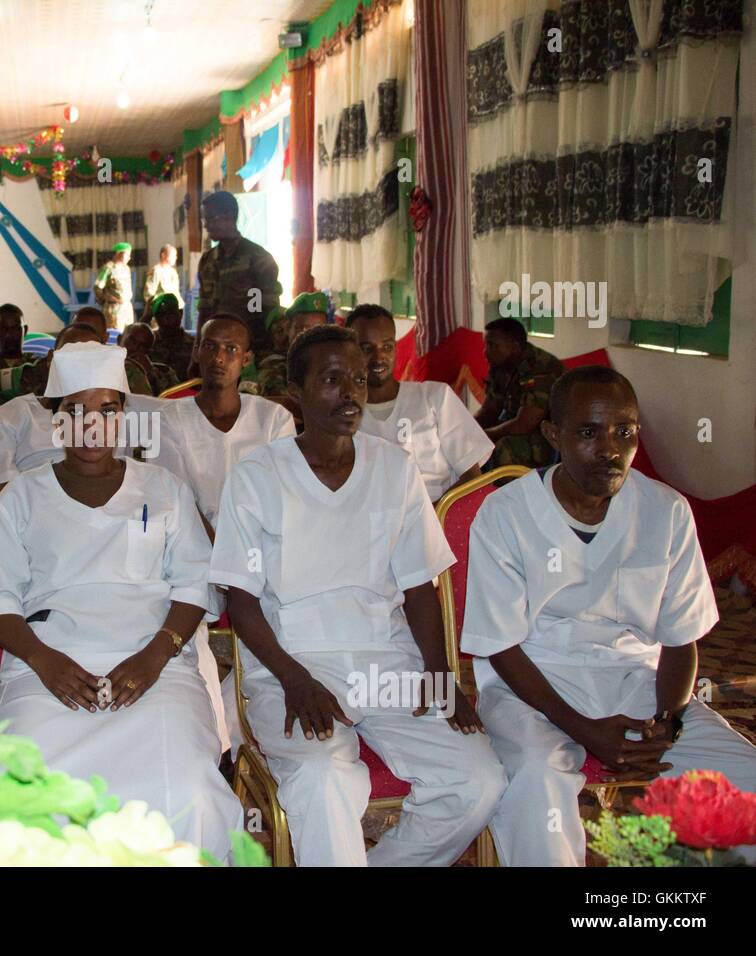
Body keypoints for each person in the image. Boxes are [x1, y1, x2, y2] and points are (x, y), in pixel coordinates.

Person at [210, 326, 506, 866]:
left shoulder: (394, 468)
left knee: (478, 779)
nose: (350, 393)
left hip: (386, 659)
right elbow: (241, 600)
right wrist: (295, 679)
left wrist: (441, 675)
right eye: (330, 380)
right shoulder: (257, 476)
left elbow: (419, 585)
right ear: (294, 392)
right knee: (325, 780)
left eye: (358, 380)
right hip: (292, 664)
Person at [463, 366, 756, 866]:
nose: (611, 449)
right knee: (537, 778)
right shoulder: (505, 514)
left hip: (637, 682)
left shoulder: (666, 511)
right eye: (588, 432)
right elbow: (502, 647)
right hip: (533, 686)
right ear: (553, 434)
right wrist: (584, 729)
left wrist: (669, 719)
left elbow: (681, 638)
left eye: (625, 432)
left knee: (745, 777)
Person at [0, 342, 243, 858]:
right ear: (56, 419)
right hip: (48, 668)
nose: (92, 425)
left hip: (156, 667)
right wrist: (44, 660)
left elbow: (194, 584)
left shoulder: (163, 489)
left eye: (107, 410)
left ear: (123, 418)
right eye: (75, 410)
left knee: (190, 795)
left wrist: (155, 655)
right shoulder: (20, 498)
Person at [152, 313, 296, 755]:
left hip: (267, 552)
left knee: (291, 618)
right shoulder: (169, 418)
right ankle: (206, 737)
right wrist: (228, 558)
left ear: (246, 361)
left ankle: (238, 735)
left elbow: (284, 498)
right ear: (197, 351)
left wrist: (247, 558)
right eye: (211, 346)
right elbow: (179, 500)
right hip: (197, 552)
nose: (219, 357)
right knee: (185, 625)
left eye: (231, 350)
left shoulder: (273, 419)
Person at [348, 305, 493, 501]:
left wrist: (430, 516)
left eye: (387, 346)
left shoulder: (435, 397)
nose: (379, 357)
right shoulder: (345, 414)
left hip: (440, 515)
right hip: (377, 520)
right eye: (366, 349)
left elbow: (472, 476)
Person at [0, 323, 107, 508]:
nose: (82, 365)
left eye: (92, 359)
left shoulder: (118, 420)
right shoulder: (11, 416)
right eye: (72, 356)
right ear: (51, 358)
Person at [197, 190, 282, 354]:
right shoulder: (207, 261)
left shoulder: (258, 259)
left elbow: (266, 311)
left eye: (209, 219)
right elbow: (204, 309)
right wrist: (198, 348)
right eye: (204, 219)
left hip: (251, 349)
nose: (206, 225)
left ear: (229, 216)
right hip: (215, 349)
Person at [475, 317, 565, 470]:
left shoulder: (540, 368)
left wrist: (485, 435)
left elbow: (525, 424)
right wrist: (468, 430)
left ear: (515, 346)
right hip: (518, 428)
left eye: (493, 345)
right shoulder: (500, 364)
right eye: (486, 344)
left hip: (550, 437)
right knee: (467, 442)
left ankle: (508, 492)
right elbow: (490, 409)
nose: (486, 351)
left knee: (504, 448)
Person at [121, 323, 179, 397]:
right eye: (132, 341)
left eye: (142, 346)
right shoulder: (106, 365)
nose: (135, 347)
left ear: (148, 352)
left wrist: (150, 376)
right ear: (120, 338)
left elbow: (172, 401)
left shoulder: (165, 372)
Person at [148, 293, 196, 382]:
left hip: (185, 393)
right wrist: (145, 318)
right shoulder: (148, 342)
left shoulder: (193, 345)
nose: (166, 320)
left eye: (171, 315)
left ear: (180, 313)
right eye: (161, 316)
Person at [93, 243, 135, 331]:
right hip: (113, 309)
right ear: (120, 254)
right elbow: (98, 287)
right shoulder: (108, 268)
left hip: (126, 308)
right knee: (115, 337)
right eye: (127, 255)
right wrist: (106, 299)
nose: (129, 258)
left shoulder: (126, 268)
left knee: (128, 335)